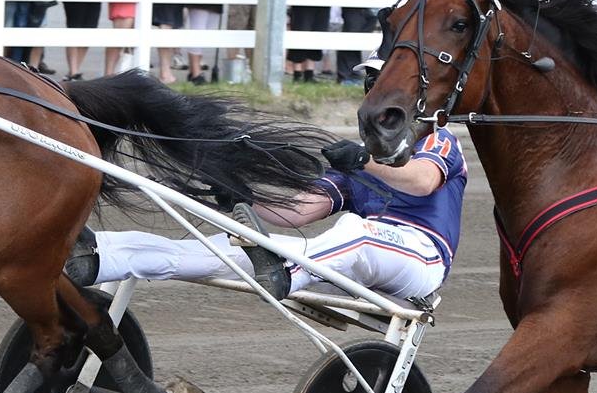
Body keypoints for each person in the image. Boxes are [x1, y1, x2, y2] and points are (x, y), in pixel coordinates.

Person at [67, 124, 465, 309]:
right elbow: (297, 212)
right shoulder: (354, 162)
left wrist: (365, 162)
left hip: (421, 258)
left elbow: (422, 182)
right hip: (348, 259)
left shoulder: (437, 140)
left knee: (355, 231)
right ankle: (104, 254)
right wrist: (239, 198)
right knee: (219, 250)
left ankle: (286, 274)